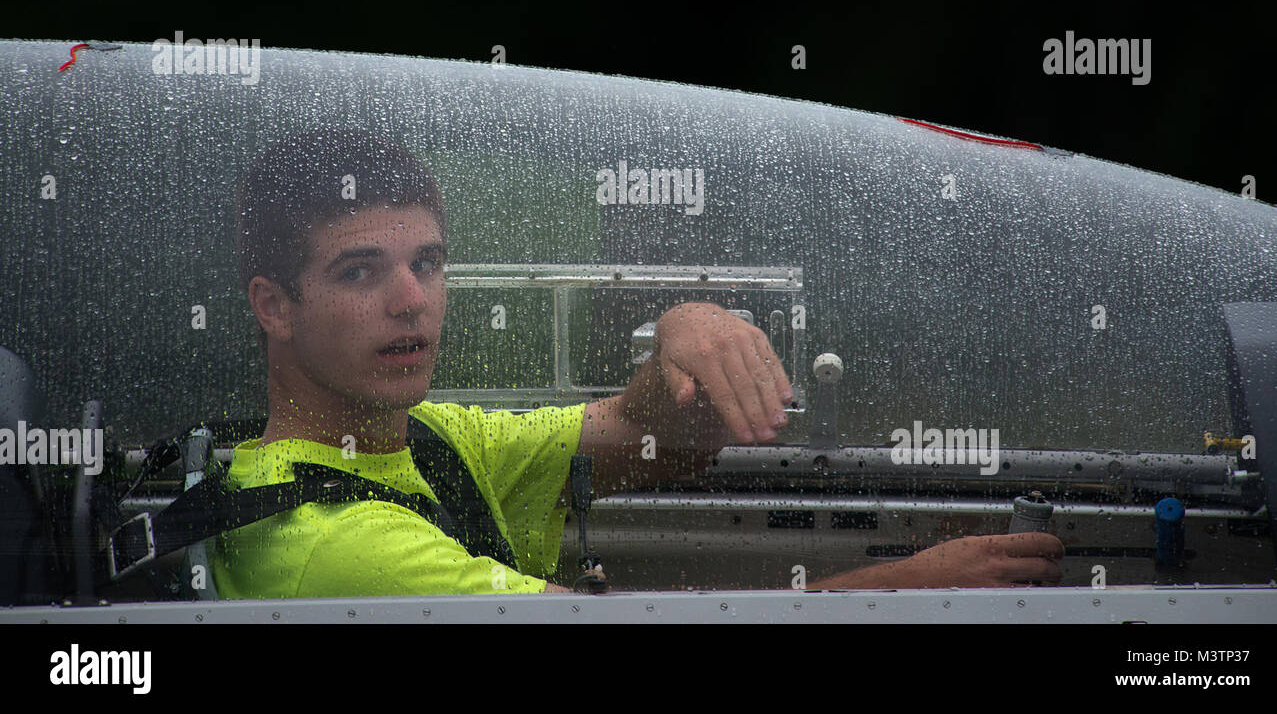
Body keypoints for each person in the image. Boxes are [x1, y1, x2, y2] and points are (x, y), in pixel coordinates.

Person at [209, 128, 1062, 597]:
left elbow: (657, 433)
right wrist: (909, 590)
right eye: (361, 271)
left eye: (426, 263)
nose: (411, 299)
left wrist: (685, 331)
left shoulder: (427, 438)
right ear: (273, 305)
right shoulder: (330, 544)